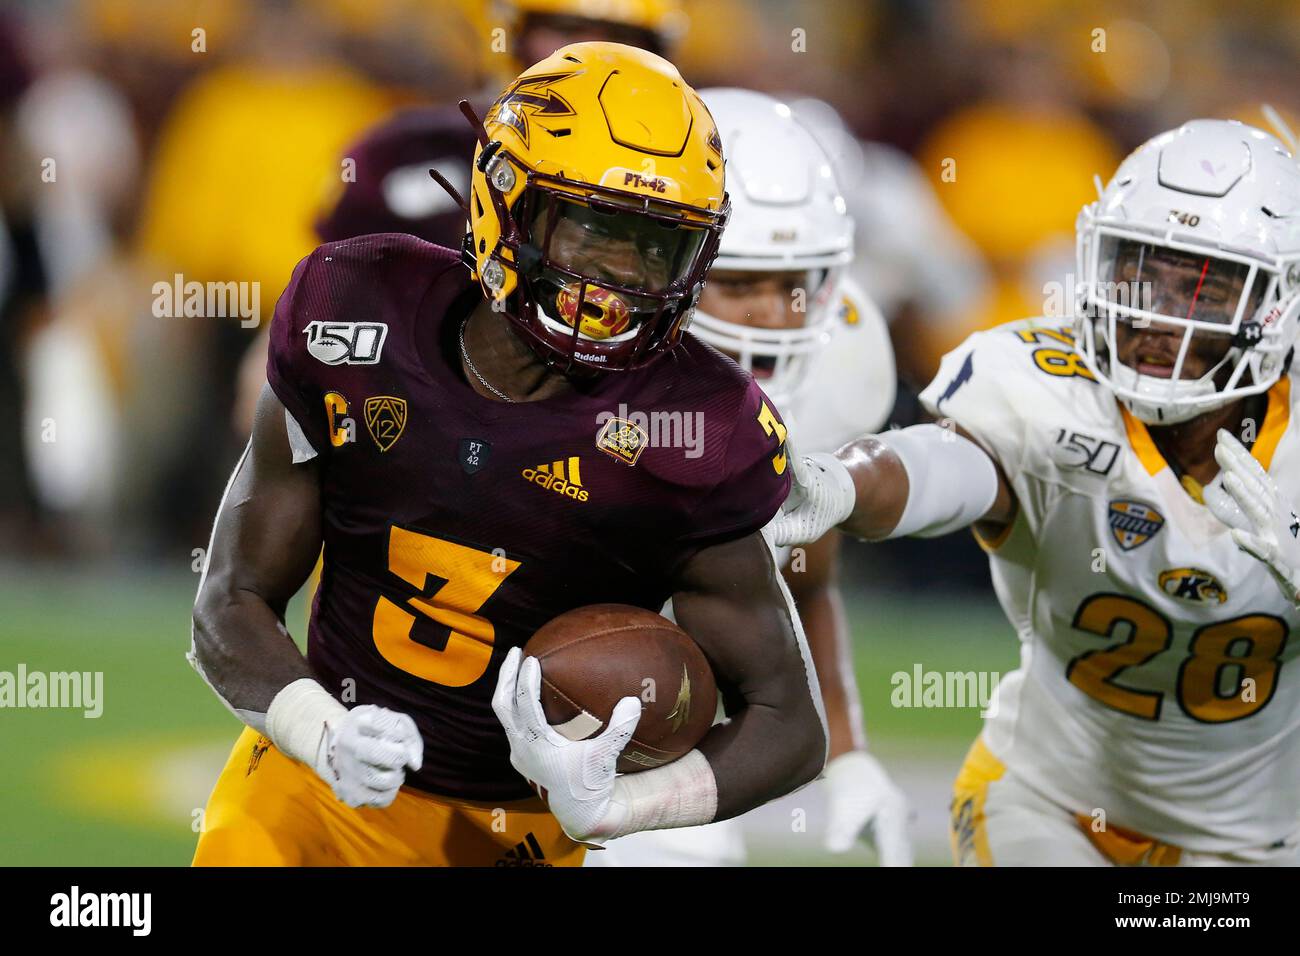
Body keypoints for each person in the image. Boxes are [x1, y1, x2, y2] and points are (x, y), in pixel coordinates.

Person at [189, 42, 826, 867]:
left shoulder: (695, 427)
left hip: (514, 837)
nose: (625, 278)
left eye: (657, 245)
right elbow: (230, 598)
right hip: (312, 794)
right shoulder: (354, 316)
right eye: (597, 229)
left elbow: (789, 722)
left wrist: (617, 805)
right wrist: (323, 731)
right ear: (505, 200)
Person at [770, 118, 1300, 866]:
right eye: (1143, 271)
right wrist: (843, 484)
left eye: (1204, 289)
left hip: (1264, 845)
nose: (1157, 314)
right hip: (1050, 807)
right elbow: (949, 467)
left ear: (1277, 306)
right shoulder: (1048, 389)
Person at [590, 88, 910, 866]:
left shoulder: (846, 364)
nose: (774, 312)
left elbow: (803, 569)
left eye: (795, 281)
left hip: (664, 727)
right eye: (742, 282)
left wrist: (849, 747)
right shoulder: (581, 351)